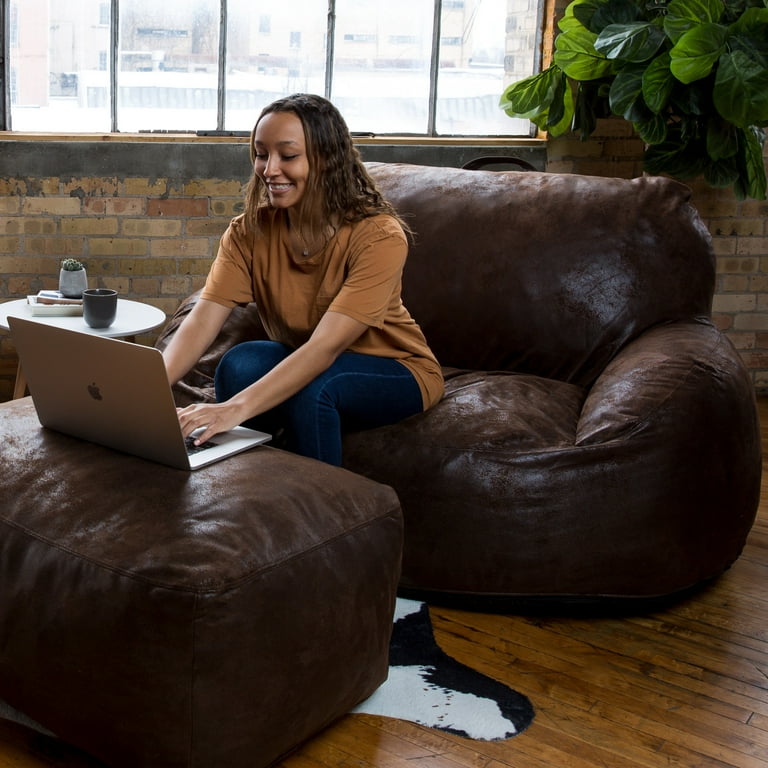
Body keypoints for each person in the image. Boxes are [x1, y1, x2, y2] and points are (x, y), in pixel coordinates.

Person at [162, 93, 444, 466]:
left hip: (395, 368)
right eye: (261, 154)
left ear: (326, 159)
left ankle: (320, 513)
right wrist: (145, 390)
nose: (269, 169)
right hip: (309, 357)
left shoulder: (380, 236)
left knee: (318, 387)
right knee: (238, 363)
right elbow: (203, 319)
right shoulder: (249, 231)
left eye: (288, 155)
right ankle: (257, 476)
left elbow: (324, 349)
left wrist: (232, 409)